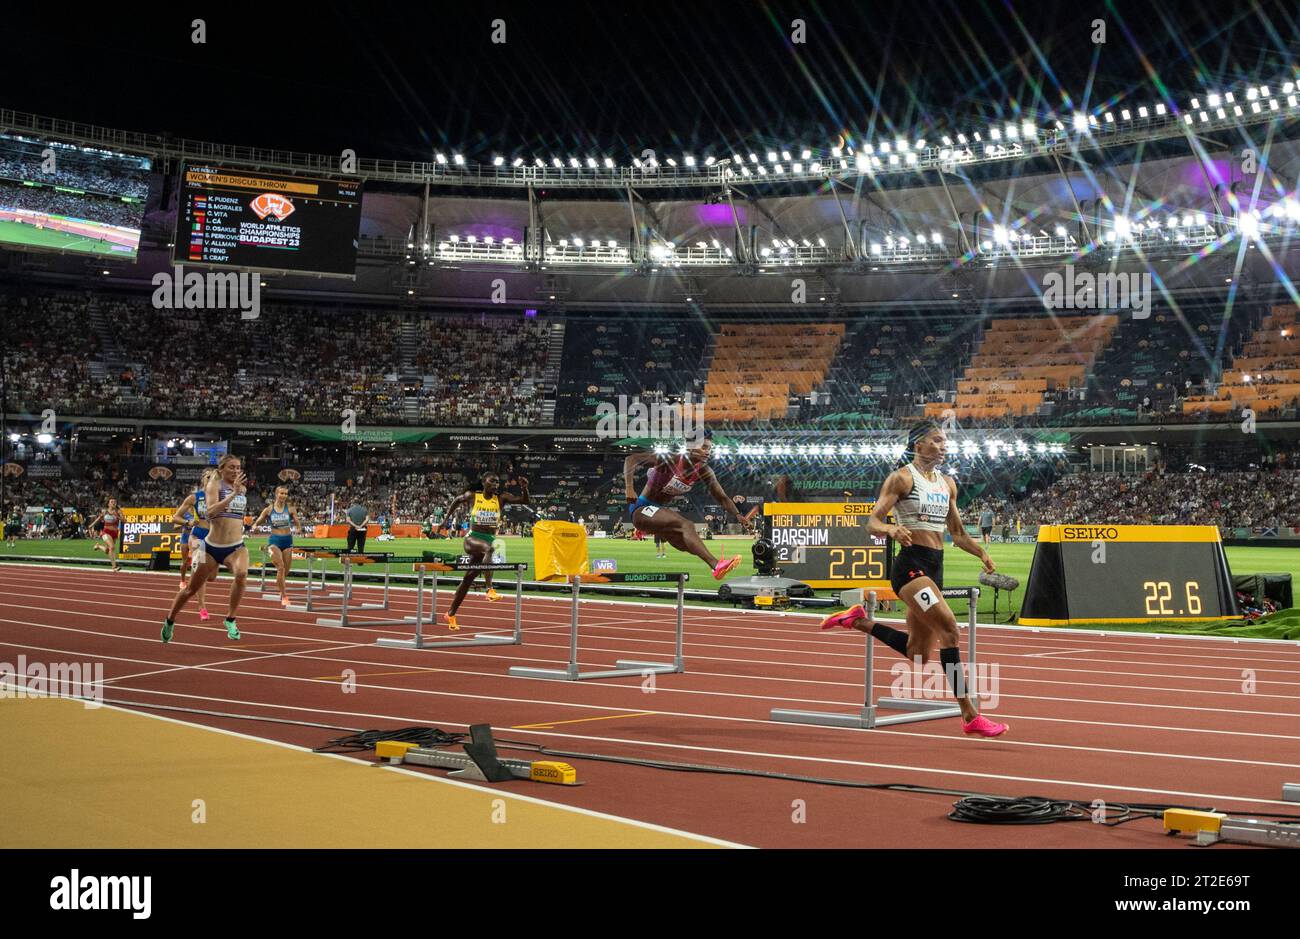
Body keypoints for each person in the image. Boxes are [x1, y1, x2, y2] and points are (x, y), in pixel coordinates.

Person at [819, 421, 1008, 737]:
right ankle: (970, 715)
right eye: (936, 440)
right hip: (910, 567)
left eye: (945, 441)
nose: (943, 446)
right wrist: (891, 529)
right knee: (950, 629)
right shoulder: (902, 478)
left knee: (917, 654)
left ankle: (859, 621)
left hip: (935, 567)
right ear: (918, 445)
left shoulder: (948, 484)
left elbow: (958, 533)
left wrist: (981, 554)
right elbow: (872, 521)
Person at [624, 433, 753, 579]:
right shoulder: (671, 460)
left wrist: (738, 515)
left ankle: (715, 568)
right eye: (704, 447)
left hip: (658, 511)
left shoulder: (704, 471)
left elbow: (722, 498)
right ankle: (716, 565)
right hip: (641, 509)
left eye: (710, 448)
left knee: (685, 544)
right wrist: (629, 487)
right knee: (686, 525)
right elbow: (631, 459)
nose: (708, 452)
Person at [162, 455, 248, 643]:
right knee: (191, 588)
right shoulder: (213, 487)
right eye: (231, 467)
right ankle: (170, 620)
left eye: (238, 468)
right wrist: (233, 494)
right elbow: (210, 512)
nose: (235, 471)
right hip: (208, 545)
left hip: (235, 546)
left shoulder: (243, 489)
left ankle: (230, 619)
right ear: (222, 468)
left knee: (241, 574)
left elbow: (235, 516)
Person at [438, 473, 530, 630]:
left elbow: (524, 501)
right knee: (490, 549)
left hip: (487, 540)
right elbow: (456, 501)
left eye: (497, 482)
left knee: (468, 580)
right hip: (472, 539)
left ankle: (450, 614)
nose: (495, 484)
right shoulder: (473, 496)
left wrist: (524, 488)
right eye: (492, 481)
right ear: (483, 482)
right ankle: (489, 589)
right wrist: (445, 520)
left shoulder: (501, 499)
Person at [170, 471, 215, 621]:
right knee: (201, 571)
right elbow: (175, 517)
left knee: (212, 577)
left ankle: (197, 578)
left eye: (214, 476)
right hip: (197, 536)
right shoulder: (194, 497)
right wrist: (188, 523)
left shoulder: (221, 497)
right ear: (202, 479)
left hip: (214, 538)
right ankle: (202, 607)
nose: (211, 478)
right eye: (208, 476)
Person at [251, 485, 301, 607]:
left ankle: (280, 585)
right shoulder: (269, 509)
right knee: (281, 568)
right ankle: (284, 596)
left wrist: (299, 529)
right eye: (281, 493)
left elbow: (298, 524)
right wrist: (254, 527)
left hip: (288, 541)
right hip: (274, 541)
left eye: (286, 494)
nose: (284, 496)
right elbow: (256, 523)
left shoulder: (290, 508)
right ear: (276, 494)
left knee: (286, 572)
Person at [87, 498, 122, 572]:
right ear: (108, 504)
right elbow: (99, 519)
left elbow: (124, 520)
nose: (113, 503)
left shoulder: (118, 511)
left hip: (114, 533)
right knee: (112, 547)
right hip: (106, 532)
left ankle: (98, 546)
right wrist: (91, 525)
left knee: (107, 550)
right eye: (111, 502)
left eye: (115, 502)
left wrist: (117, 516)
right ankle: (114, 566)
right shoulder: (105, 511)